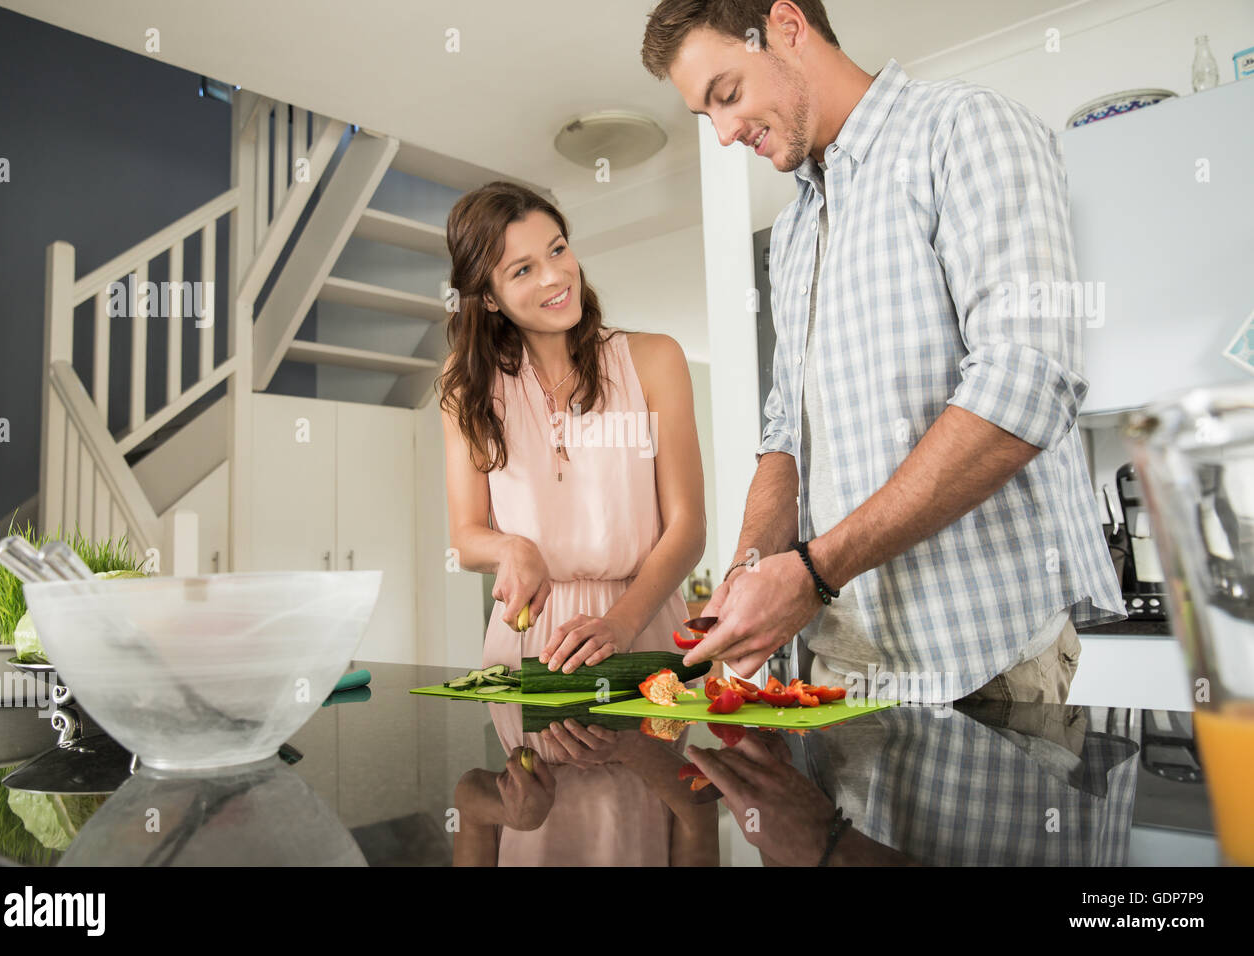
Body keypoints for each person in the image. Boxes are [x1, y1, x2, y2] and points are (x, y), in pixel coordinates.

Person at [641, 0, 1126, 702]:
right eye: (704, 115)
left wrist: (813, 571)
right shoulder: (795, 229)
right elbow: (786, 433)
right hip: (838, 673)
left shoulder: (965, 130)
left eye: (728, 94)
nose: (721, 133)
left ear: (787, 27)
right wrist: (752, 565)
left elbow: (1024, 381)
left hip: (983, 662)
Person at [438, 182, 706, 675]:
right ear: (490, 299)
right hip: (528, 645)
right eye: (523, 270)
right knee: (533, 758)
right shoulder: (467, 388)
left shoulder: (655, 360)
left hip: (639, 627)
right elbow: (464, 537)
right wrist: (511, 548)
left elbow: (687, 528)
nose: (555, 276)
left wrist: (620, 625)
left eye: (557, 249)